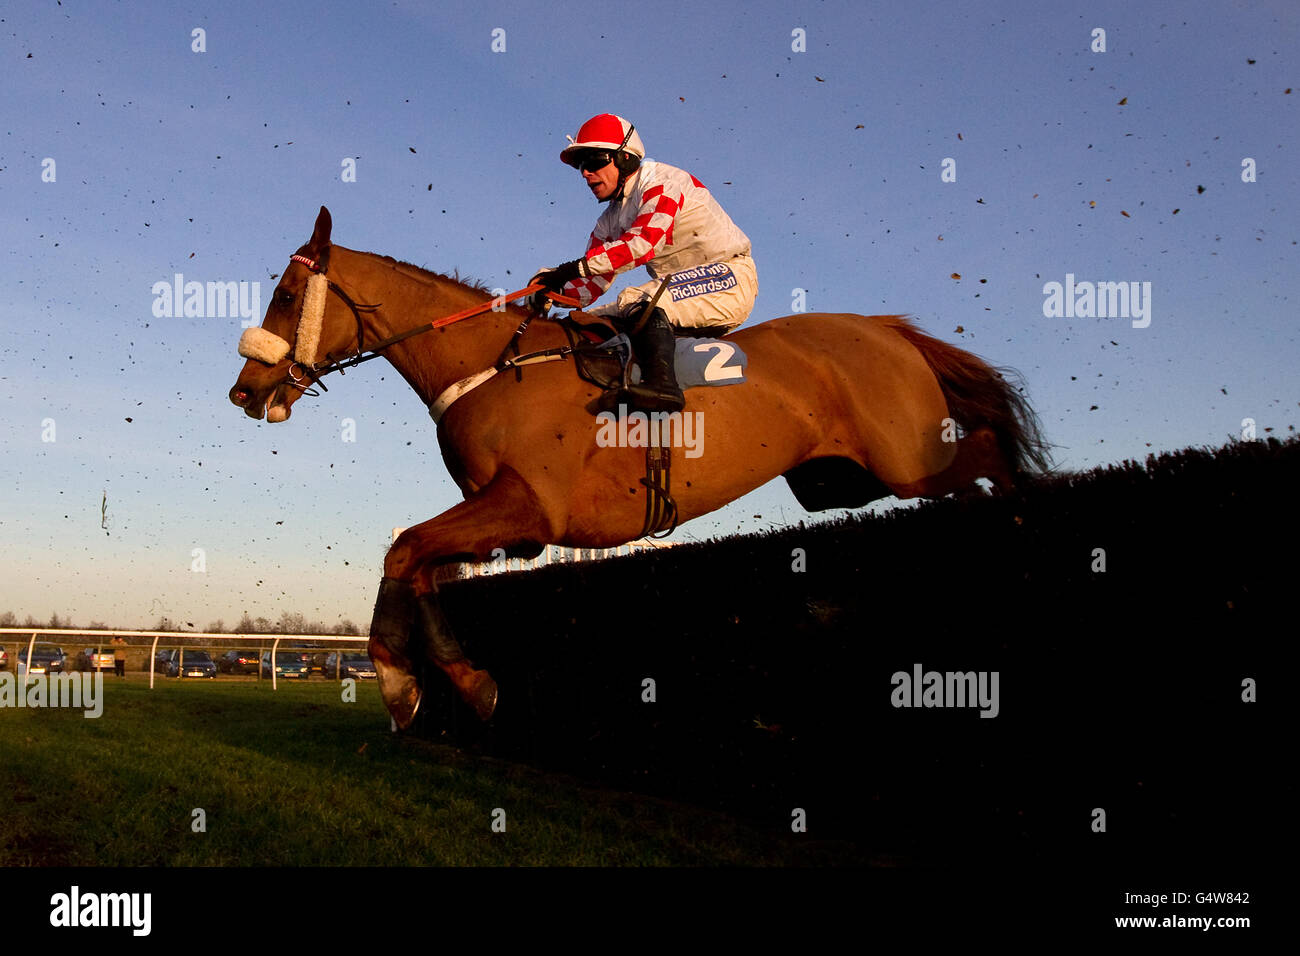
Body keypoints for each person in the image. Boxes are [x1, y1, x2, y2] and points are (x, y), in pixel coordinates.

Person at [531, 113, 757, 413]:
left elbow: (642, 245)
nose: (586, 174)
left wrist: (572, 268)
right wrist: (550, 290)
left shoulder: (664, 183)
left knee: (636, 299)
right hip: (677, 291)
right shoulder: (608, 220)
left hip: (729, 279)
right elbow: (590, 286)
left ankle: (663, 389)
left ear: (625, 158)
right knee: (591, 319)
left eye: (594, 162)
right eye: (582, 166)